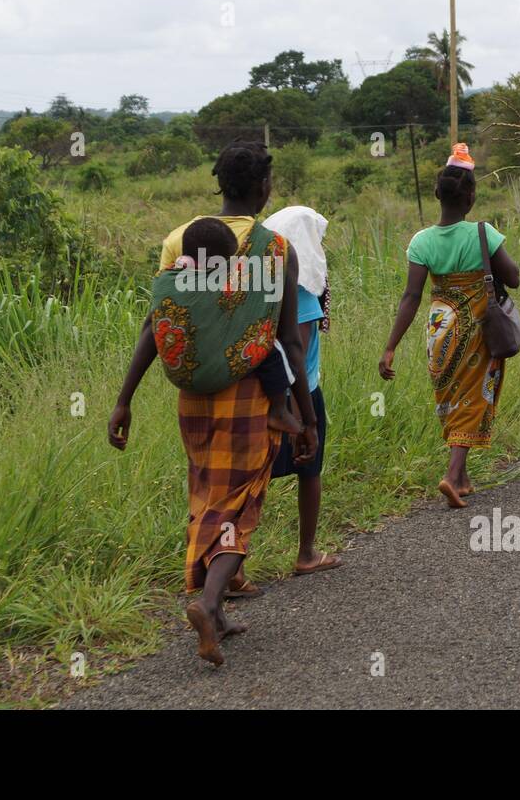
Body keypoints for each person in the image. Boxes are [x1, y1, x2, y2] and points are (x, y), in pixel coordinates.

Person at [108, 140, 318, 667]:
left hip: (193, 395)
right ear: (263, 187)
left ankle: (218, 615)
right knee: (242, 499)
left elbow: (158, 323)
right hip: (249, 393)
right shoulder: (275, 248)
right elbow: (288, 339)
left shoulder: (179, 239)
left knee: (206, 493)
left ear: (219, 184)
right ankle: (207, 601)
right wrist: (304, 414)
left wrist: (123, 400)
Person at [378, 144, 520, 507]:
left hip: (438, 329)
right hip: (477, 329)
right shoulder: (483, 234)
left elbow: (410, 297)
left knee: (451, 399)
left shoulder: (421, 241)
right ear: (471, 197)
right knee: (474, 398)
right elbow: (515, 278)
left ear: (437, 195)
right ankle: (452, 475)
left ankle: (465, 476)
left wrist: (391, 346)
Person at [262, 205, 342, 577]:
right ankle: (306, 552)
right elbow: (298, 355)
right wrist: (302, 416)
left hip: (263, 395)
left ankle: (233, 566)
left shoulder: (260, 287)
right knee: (309, 472)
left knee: (254, 479)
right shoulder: (305, 293)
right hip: (301, 395)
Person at [167, 217, 302, 434]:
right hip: (222, 339)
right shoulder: (213, 274)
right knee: (271, 347)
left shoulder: (179, 268)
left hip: (195, 349)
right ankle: (279, 410)